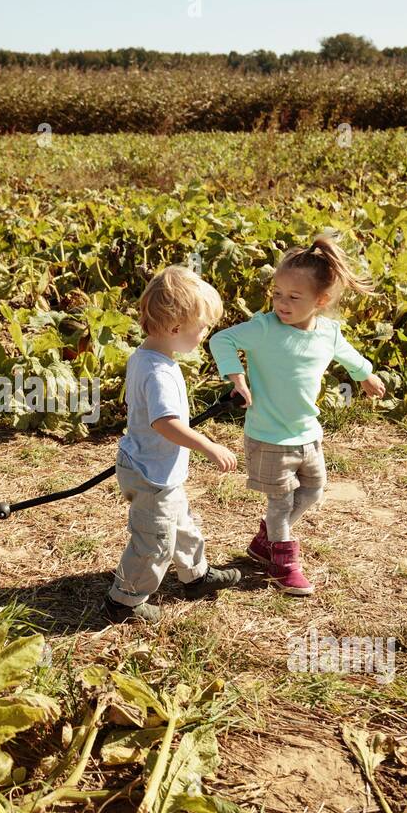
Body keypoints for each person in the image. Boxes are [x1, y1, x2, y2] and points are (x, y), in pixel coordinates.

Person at [209, 236, 386, 595]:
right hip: (268, 435)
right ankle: (283, 560)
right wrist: (237, 379)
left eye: (293, 297)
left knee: (314, 490)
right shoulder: (263, 328)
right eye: (277, 293)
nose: (281, 303)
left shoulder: (328, 332)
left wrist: (365, 374)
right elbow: (221, 340)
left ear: (320, 301)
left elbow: (349, 355)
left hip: (308, 432)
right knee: (281, 501)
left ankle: (266, 541)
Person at [106, 266, 242, 625]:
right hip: (152, 475)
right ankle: (125, 599)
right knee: (154, 541)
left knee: (181, 524)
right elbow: (165, 423)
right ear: (176, 328)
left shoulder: (148, 356)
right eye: (204, 328)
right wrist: (208, 446)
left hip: (156, 469)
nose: (205, 335)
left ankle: (195, 575)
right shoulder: (159, 372)